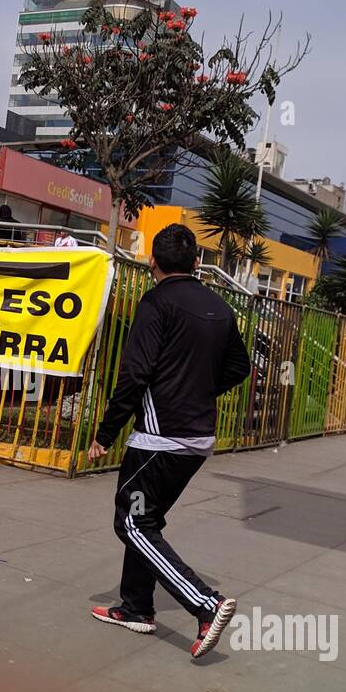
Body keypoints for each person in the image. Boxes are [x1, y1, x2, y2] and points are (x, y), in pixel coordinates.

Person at [88, 223, 252, 659]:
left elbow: (135, 374)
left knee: (131, 521)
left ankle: (205, 604)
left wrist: (105, 433)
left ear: (152, 262)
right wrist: (197, 390)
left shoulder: (156, 303)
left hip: (159, 440)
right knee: (147, 519)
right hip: (197, 438)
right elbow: (240, 367)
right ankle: (137, 607)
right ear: (197, 262)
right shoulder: (218, 305)